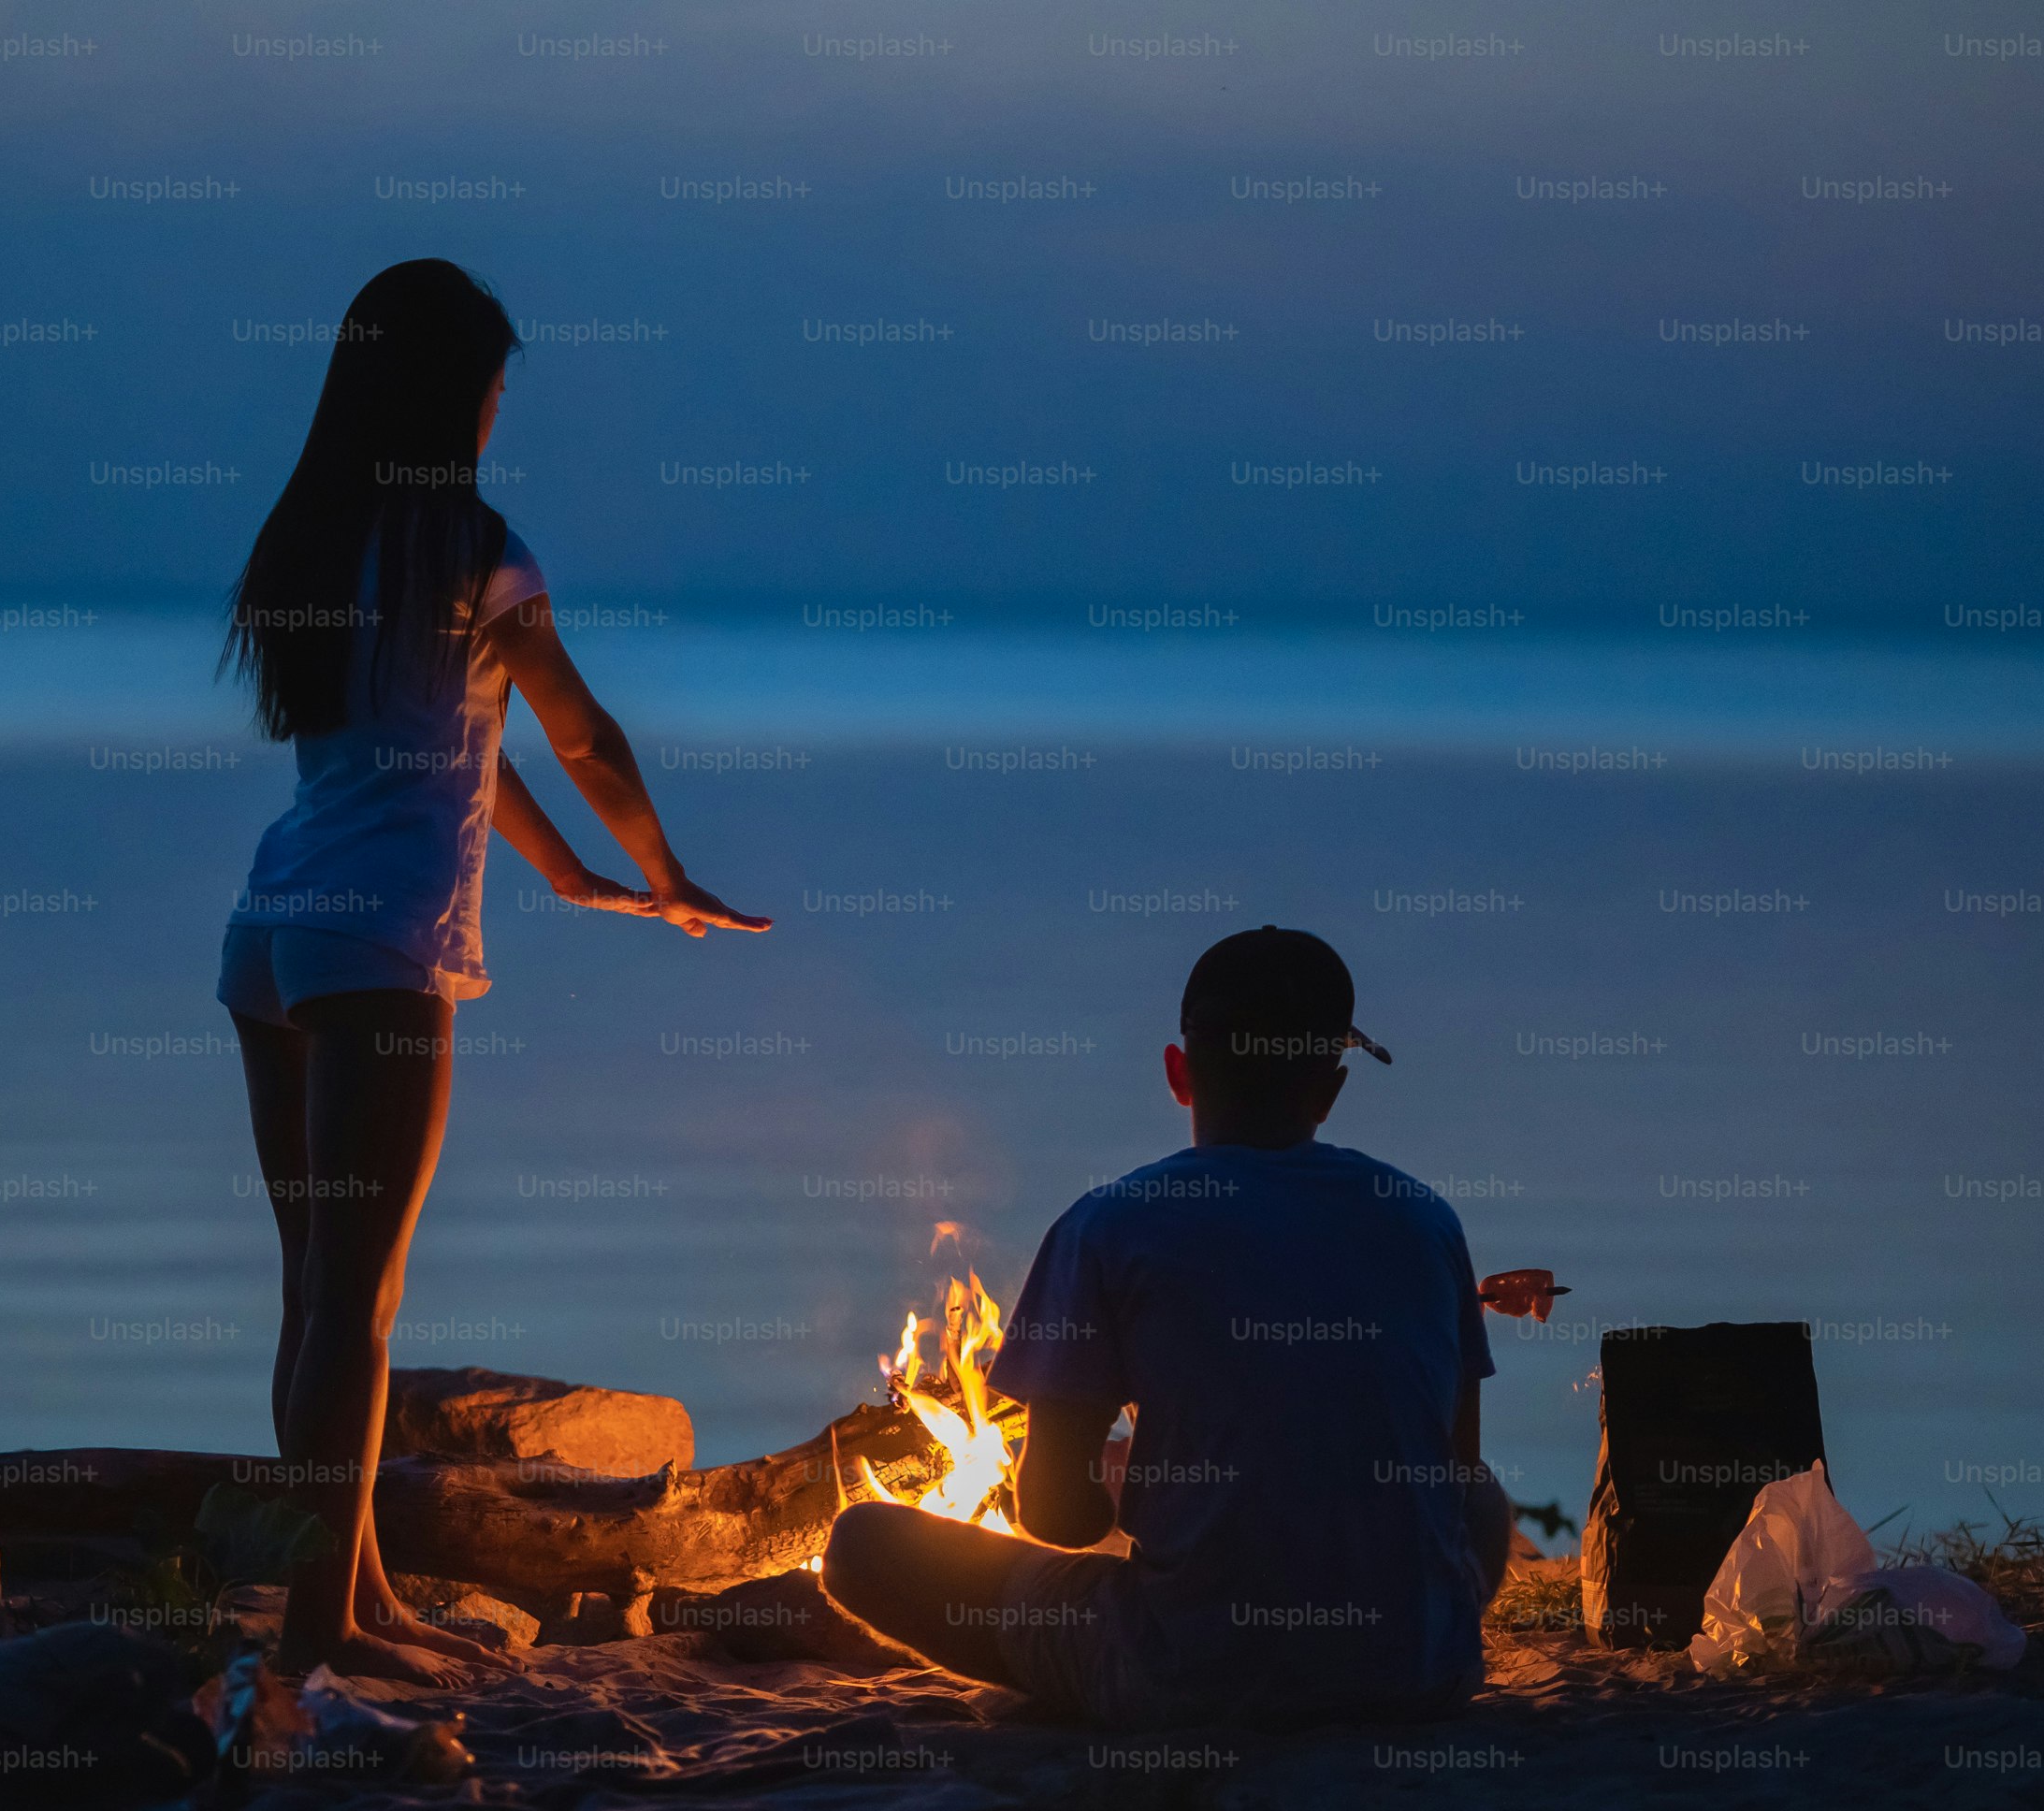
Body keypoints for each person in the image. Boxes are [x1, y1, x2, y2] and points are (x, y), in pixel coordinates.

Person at [218, 259, 769, 1686]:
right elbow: (577, 733)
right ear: (452, 394)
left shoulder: (319, 535)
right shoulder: (473, 545)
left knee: (316, 1294)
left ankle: (357, 1588)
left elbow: (453, 738)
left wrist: (560, 875)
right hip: (376, 951)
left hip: (273, 927)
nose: (496, 413)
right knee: (359, 1303)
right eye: (492, 388)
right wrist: (661, 868)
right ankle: (316, 1628)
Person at [821, 926, 1512, 1727]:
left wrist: (1129, 1481)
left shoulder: (1109, 1223)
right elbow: (1455, 1474)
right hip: (1419, 1670)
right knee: (1489, 1498)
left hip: (1190, 1677)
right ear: (1329, 1087)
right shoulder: (1426, 1220)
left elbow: (1056, 1517)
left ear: (1179, 1073)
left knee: (862, 1544)